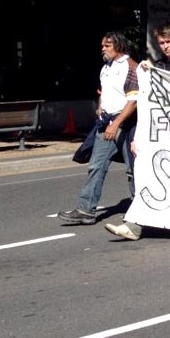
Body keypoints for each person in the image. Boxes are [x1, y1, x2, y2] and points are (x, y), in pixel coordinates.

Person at [104, 23, 170, 241]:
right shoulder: (160, 64)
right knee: (148, 174)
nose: (165, 46)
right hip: (161, 131)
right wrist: (140, 136)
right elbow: (148, 102)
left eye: (168, 42)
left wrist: (155, 71)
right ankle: (135, 224)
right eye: (161, 43)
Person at [59, 32, 140, 226]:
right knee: (96, 166)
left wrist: (116, 123)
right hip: (106, 124)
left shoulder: (131, 67)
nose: (103, 49)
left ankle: (140, 210)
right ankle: (86, 210)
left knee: (133, 170)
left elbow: (133, 101)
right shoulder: (106, 68)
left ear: (119, 46)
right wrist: (100, 106)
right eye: (102, 45)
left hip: (126, 125)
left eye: (107, 45)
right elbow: (103, 92)